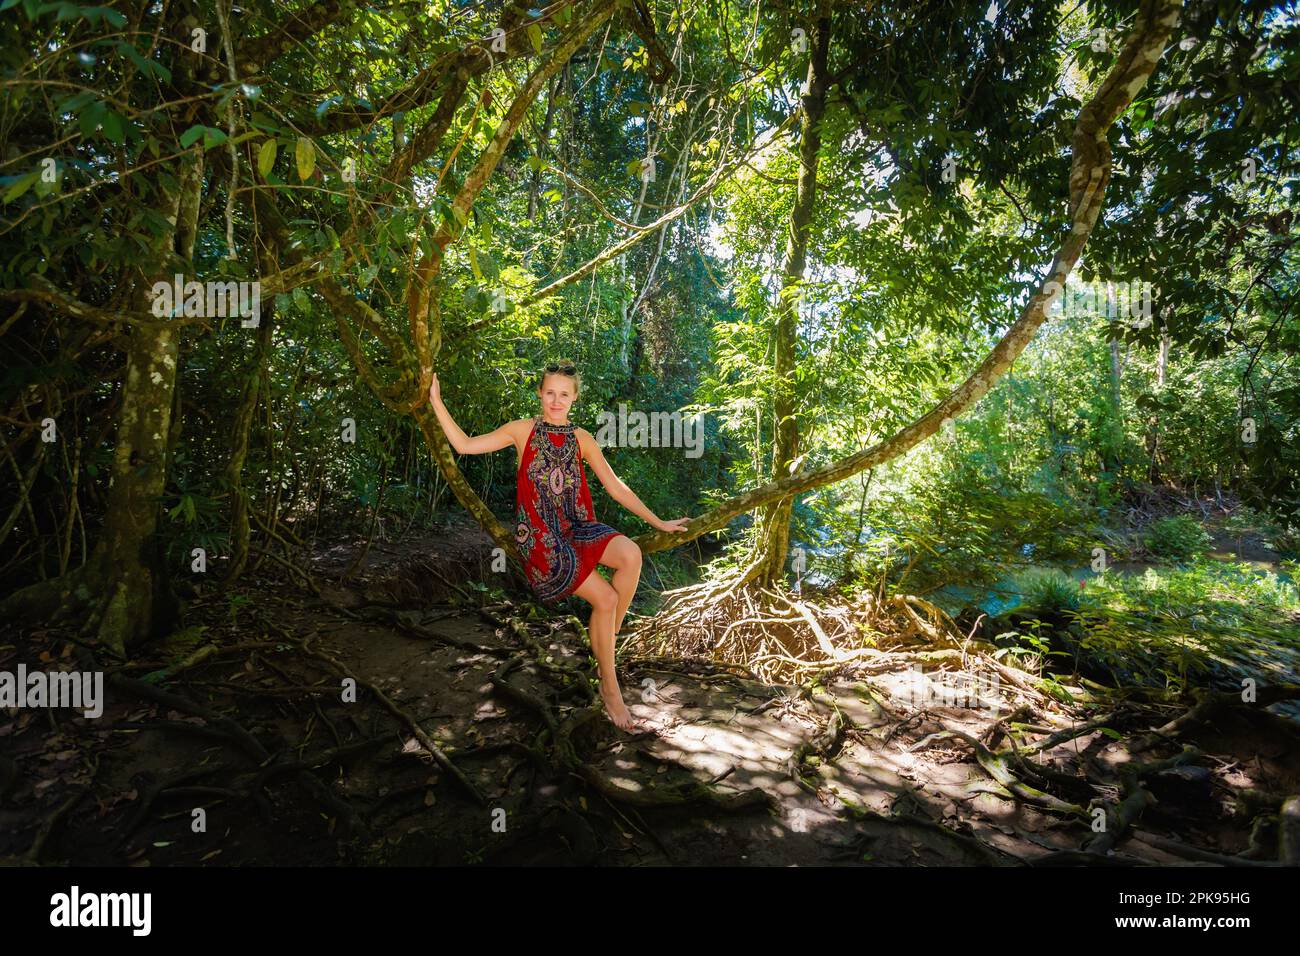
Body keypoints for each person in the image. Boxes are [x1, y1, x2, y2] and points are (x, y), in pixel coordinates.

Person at [428, 360, 689, 732]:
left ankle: (608, 639)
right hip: (540, 537)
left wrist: (658, 522)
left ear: (574, 398)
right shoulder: (522, 431)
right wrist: (436, 400)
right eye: (549, 392)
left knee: (630, 554)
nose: (555, 400)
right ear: (540, 392)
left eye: (563, 394)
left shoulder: (582, 438)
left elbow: (615, 487)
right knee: (607, 599)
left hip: (576, 526)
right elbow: (465, 446)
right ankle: (610, 688)